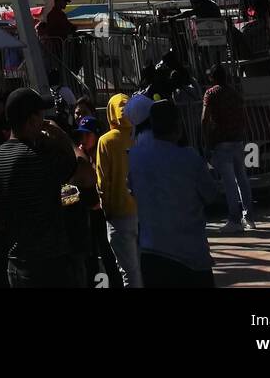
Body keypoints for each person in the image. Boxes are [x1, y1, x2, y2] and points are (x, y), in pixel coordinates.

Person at [0, 86, 78, 289]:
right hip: (49, 265)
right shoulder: (39, 159)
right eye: (41, 114)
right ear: (33, 120)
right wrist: (61, 135)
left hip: (16, 265)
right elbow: (82, 177)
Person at [128, 99, 218, 288]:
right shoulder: (189, 157)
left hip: (152, 253)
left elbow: (132, 190)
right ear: (179, 125)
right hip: (190, 255)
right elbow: (211, 195)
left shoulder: (135, 157)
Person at [96, 90, 142, 288]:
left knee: (128, 270)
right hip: (142, 211)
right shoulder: (139, 136)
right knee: (141, 266)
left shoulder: (106, 141)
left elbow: (102, 181)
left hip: (118, 214)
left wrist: (105, 208)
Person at [202, 63, 256, 232]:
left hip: (221, 141)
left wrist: (206, 140)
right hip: (237, 140)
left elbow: (204, 118)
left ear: (212, 78)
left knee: (229, 182)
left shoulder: (211, 94)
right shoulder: (234, 93)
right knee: (242, 179)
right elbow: (243, 115)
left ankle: (234, 218)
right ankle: (249, 217)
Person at [67, 116, 102, 287]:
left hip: (101, 212)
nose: (84, 139)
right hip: (86, 214)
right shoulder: (79, 157)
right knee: (89, 258)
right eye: (82, 135)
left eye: (88, 134)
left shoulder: (102, 153)